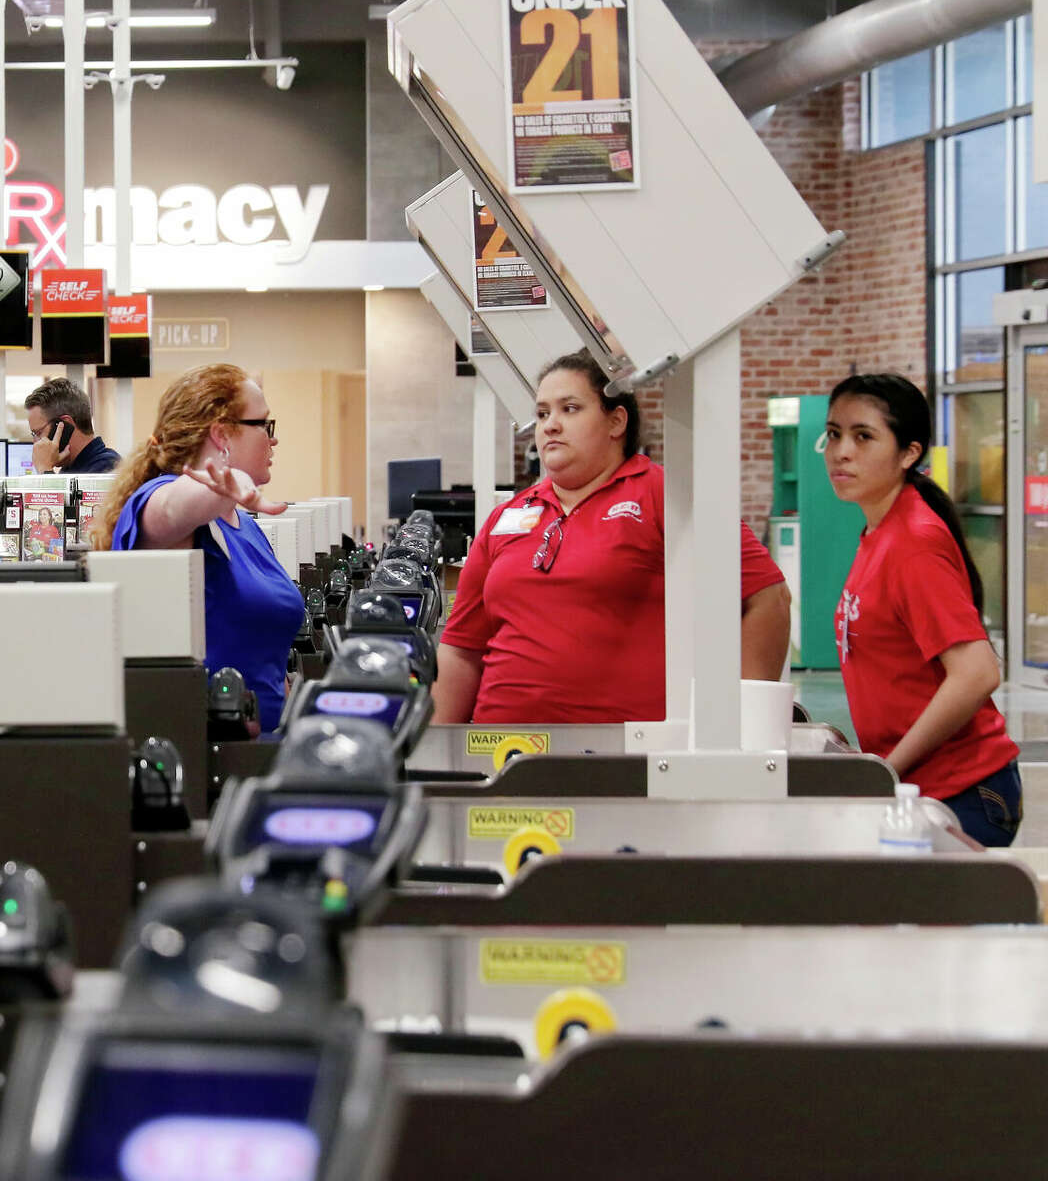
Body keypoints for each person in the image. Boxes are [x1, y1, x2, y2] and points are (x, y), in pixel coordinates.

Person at [434, 351, 793, 725]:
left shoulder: (664, 495)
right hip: (504, 752)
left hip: (628, 759)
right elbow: (462, 650)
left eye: (569, 409)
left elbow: (768, 599)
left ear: (616, 421)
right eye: (542, 414)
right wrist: (436, 757)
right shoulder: (504, 518)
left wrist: (742, 728)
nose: (550, 425)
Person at [823, 374, 1022, 846]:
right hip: (922, 785)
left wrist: (888, 768)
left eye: (863, 436)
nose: (841, 452)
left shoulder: (913, 543)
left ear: (909, 453)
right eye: (833, 434)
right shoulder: (883, 529)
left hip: (963, 790)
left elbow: (976, 673)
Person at [95, 363, 303, 733]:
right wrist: (233, 480)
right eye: (264, 426)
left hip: (265, 752)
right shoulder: (158, 501)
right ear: (222, 435)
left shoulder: (245, 527)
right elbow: (178, 503)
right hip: (207, 758)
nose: (273, 440)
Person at [25, 378, 123, 474]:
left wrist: (44, 469)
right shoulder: (70, 468)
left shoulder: (108, 467)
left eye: (38, 433)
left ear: (64, 425)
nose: (36, 443)